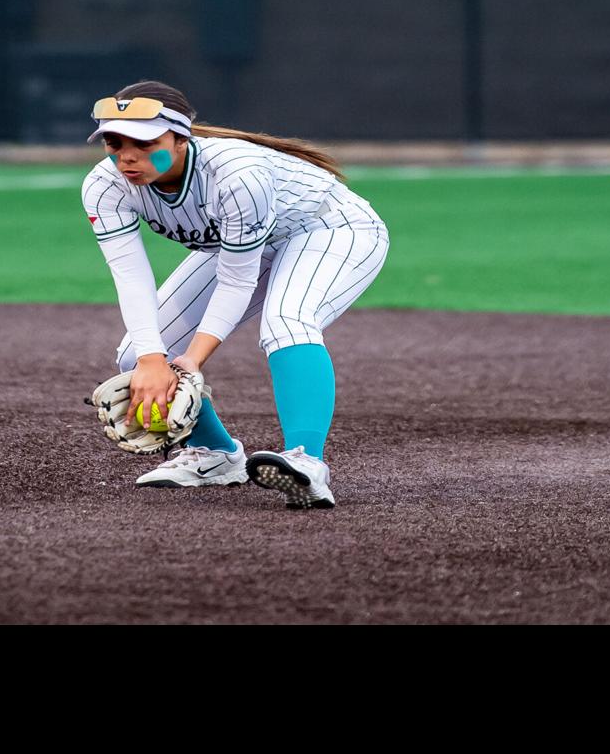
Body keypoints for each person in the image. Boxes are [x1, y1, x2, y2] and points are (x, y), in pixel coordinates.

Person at [81, 81, 389, 509]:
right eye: (114, 142)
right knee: (137, 354)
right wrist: (154, 359)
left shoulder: (235, 174)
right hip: (241, 247)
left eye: (145, 142)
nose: (127, 155)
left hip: (329, 229)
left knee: (287, 320)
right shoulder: (106, 185)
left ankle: (307, 462)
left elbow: (237, 281)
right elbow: (131, 277)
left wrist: (191, 361)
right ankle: (215, 454)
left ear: (181, 136)